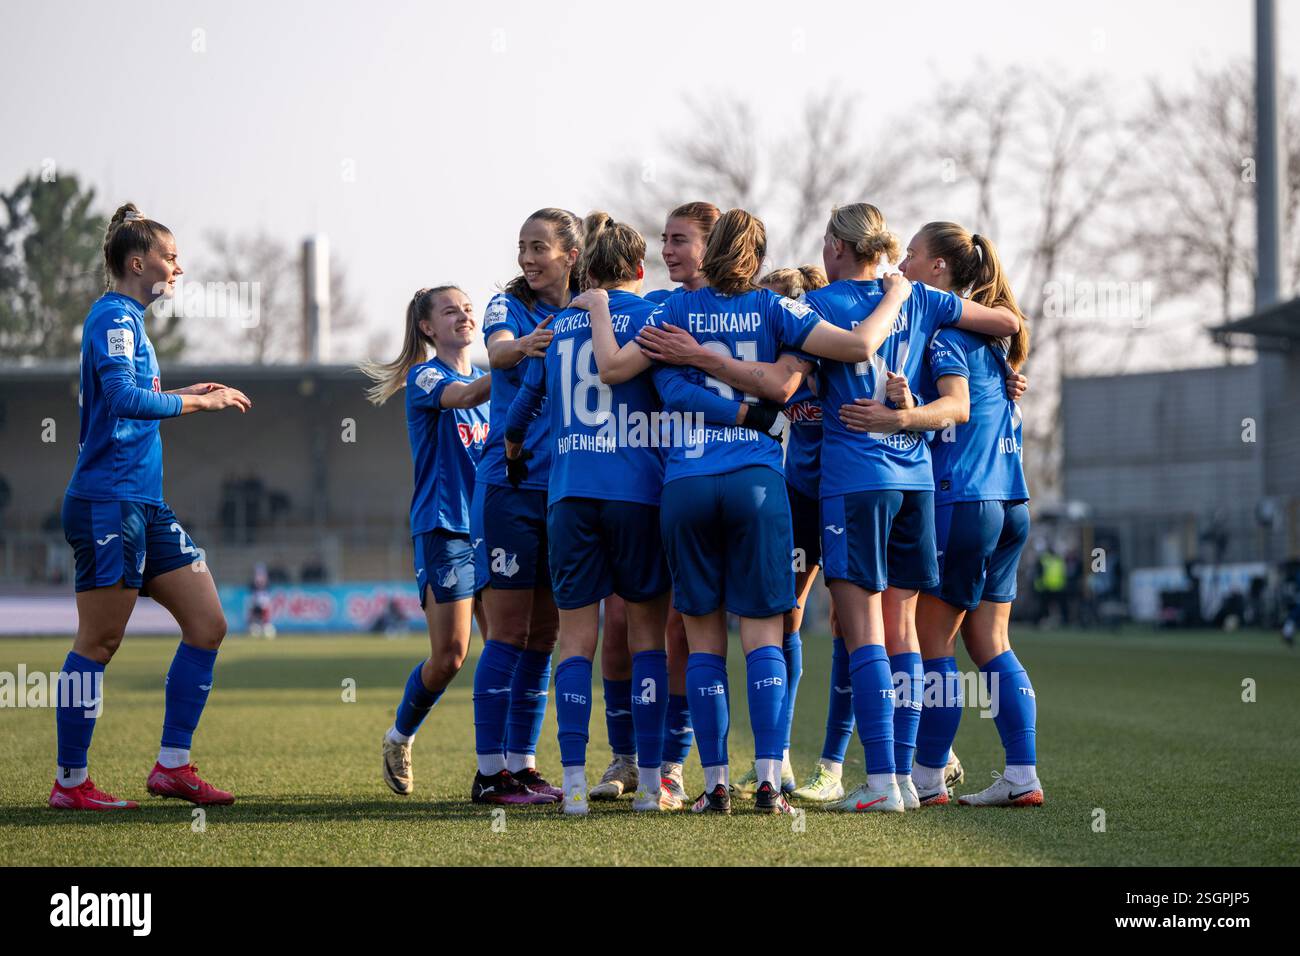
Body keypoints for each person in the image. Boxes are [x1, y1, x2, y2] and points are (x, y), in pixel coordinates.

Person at [594, 207, 915, 814]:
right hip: (758, 485)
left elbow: (615, 371)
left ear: (709, 249)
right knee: (766, 634)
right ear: (759, 257)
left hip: (685, 486)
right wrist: (896, 293)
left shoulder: (673, 309)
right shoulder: (777, 309)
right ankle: (770, 779)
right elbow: (856, 345)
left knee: (702, 641)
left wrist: (598, 307)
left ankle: (713, 785)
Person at [505, 214, 752, 813]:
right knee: (647, 642)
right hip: (638, 495)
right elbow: (679, 389)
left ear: (585, 270)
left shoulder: (560, 325)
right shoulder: (654, 319)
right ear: (639, 269)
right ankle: (649, 786)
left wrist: (513, 450)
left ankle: (569, 787)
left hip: (568, 493)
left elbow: (522, 407)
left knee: (577, 643)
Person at [804, 203, 1021, 813]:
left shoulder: (823, 304)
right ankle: (904, 778)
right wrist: (1004, 373)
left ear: (841, 249)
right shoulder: (925, 301)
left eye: (827, 242)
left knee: (862, 631)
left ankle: (879, 786)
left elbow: (789, 377)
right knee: (906, 635)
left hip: (855, 481)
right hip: (918, 483)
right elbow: (1004, 321)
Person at [51, 203, 252, 811]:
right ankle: (70, 783)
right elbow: (120, 400)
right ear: (137, 263)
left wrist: (184, 392)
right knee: (100, 642)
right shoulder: (113, 316)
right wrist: (199, 406)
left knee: (208, 624)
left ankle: (171, 767)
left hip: (145, 505)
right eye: (170, 257)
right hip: (109, 503)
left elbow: (138, 394)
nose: (179, 267)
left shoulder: (130, 323)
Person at [591, 201, 720, 804]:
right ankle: (628, 756)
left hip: (712, 482)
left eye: (681, 241)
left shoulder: (744, 306)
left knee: (688, 633)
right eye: (663, 242)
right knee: (620, 626)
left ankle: (675, 763)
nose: (669, 252)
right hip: (646, 488)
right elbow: (612, 363)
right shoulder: (655, 309)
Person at [468, 208, 582, 805]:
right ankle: (489, 775)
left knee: (545, 635)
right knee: (509, 633)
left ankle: (522, 765)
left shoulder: (592, 306)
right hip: (510, 488)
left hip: (563, 491)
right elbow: (497, 354)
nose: (528, 258)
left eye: (540, 247)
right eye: (523, 246)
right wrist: (529, 345)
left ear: (570, 254)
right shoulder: (505, 306)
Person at [362, 286, 492, 798]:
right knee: (451, 656)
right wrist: (515, 362)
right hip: (444, 527)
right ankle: (399, 736)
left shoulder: (487, 380)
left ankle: (505, 767)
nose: (462, 315)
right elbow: (462, 397)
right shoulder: (428, 377)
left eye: (467, 308)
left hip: (490, 529)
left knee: (507, 647)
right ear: (427, 328)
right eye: (449, 310)